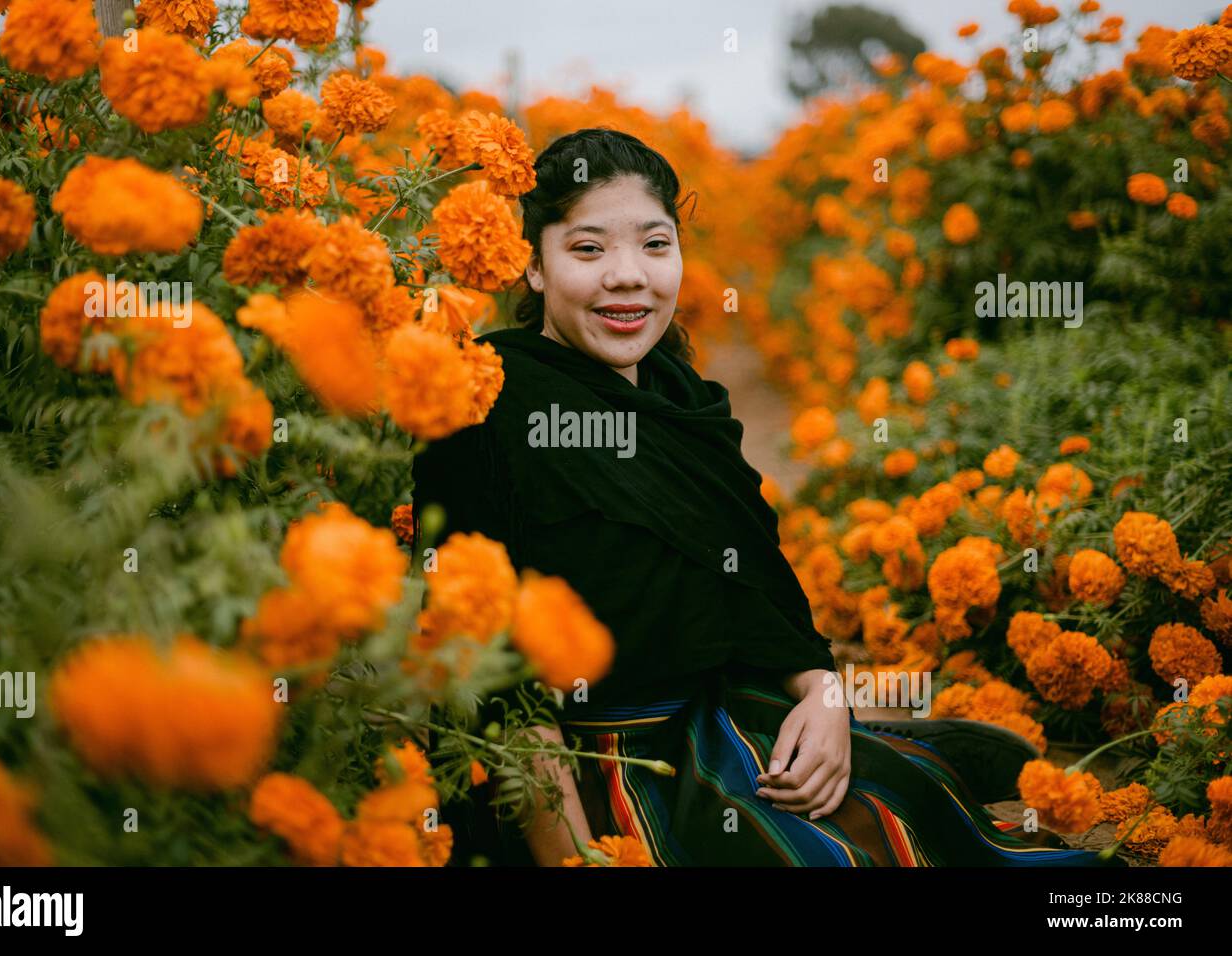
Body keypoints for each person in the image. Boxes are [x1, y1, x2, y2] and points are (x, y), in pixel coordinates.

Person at [411, 127, 1121, 867]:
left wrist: (823, 694)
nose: (629, 277)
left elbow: (754, 589)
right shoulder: (481, 398)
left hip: (714, 717)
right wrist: (572, 858)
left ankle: (913, 752)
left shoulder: (682, 399)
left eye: (655, 245)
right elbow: (488, 678)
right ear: (533, 264)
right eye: (588, 250)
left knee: (916, 814)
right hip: (592, 772)